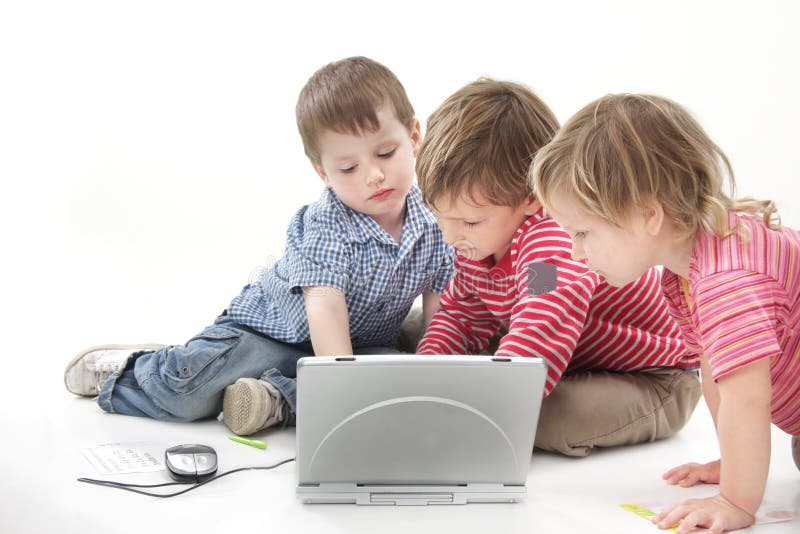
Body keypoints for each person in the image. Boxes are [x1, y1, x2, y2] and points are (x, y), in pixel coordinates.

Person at [64, 56, 454, 436]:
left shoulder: (437, 220)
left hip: (361, 346)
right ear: (324, 173)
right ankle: (143, 370)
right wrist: (343, 391)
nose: (374, 175)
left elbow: (440, 314)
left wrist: (432, 372)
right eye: (349, 168)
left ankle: (270, 400)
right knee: (191, 393)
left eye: (386, 153)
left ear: (414, 138)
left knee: (396, 384)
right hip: (273, 335)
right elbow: (326, 313)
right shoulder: (328, 223)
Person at [531, 93, 800, 533]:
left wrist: (736, 499)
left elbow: (746, 397)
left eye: (583, 233)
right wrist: (735, 463)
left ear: (648, 214)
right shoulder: (686, 272)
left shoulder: (725, 280)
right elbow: (716, 375)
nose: (576, 253)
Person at [414, 79, 701, 457]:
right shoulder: (476, 246)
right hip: (570, 359)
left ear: (530, 197)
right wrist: (421, 374)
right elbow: (460, 314)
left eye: (468, 223)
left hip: (655, 379)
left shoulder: (548, 246)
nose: (450, 237)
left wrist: (482, 406)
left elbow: (542, 311)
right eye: (440, 217)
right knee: (419, 328)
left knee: (549, 417)